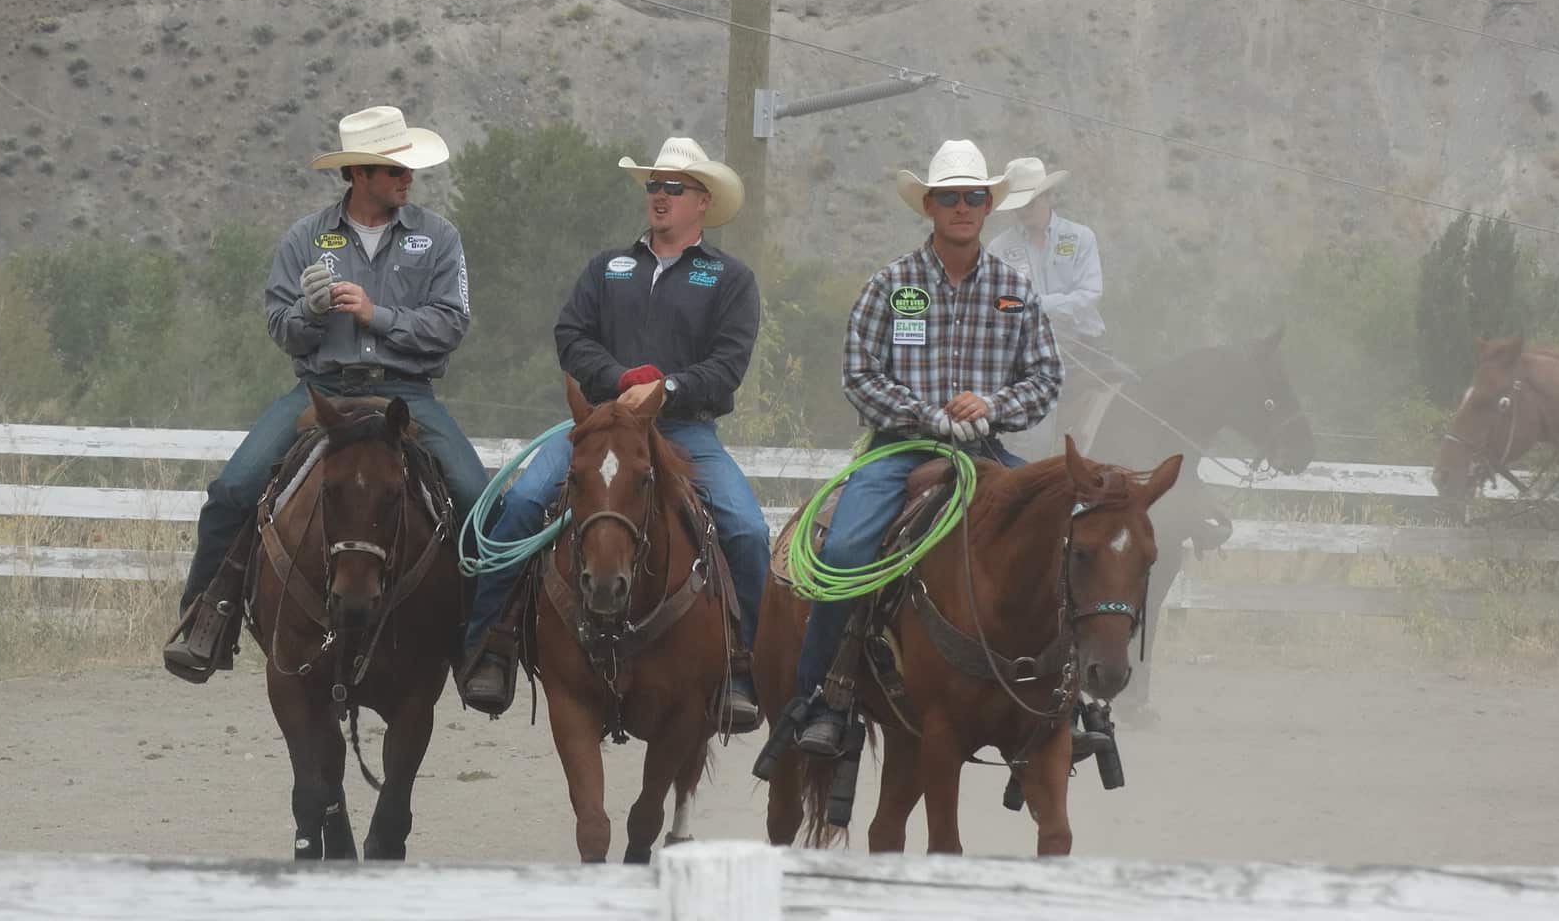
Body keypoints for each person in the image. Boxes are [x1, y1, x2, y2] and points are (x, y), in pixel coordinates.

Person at [164, 106, 490, 677]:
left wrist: (378, 315)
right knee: (233, 490)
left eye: (406, 170)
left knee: (476, 497)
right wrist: (310, 313)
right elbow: (279, 326)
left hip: (404, 395)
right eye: (394, 171)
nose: (407, 179)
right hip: (322, 392)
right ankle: (206, 618)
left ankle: (481, 642)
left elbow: (451, 323)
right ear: (359, 175)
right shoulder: (306, 237)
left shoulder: (439, 238)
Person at [458, 138, 770, 733]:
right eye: (654, 185)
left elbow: (728, 364)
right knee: (523, 501)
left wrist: (667, 389)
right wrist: (619, 378)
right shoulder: (607, 268)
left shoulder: (730, 278)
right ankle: (489, 647)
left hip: (684, 431)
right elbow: (570, 336)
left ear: (702, 202)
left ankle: (743, 667)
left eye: (673, 187)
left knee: (747, 529)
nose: (659, 195)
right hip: (600, 425)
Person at [789, 139, 1063, 757]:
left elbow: (1046, 379)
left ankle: (1071, 695)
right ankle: (821, 700)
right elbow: (859, 375)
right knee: (846, 549)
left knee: (1068, 533)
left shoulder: (1015, 291)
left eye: (973, 197)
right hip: (899, 450)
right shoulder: (890, 285)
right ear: (930, 207)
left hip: (987, 454)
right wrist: (929, 415)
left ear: (989, 207)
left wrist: (993, 406)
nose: (962, 207)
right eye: (949, 197)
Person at [987, 158, 1112, 458]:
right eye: (1019, 205)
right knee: (1035, 440)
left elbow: (1090, 293)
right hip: (1028, 355)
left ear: (1048, 197)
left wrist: (1035, 304)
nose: (1024, 210)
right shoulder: (998, 249)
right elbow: (998, 305)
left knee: (1134, 399)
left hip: (1085, 348)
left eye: (1030, 202)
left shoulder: (1080, 237)